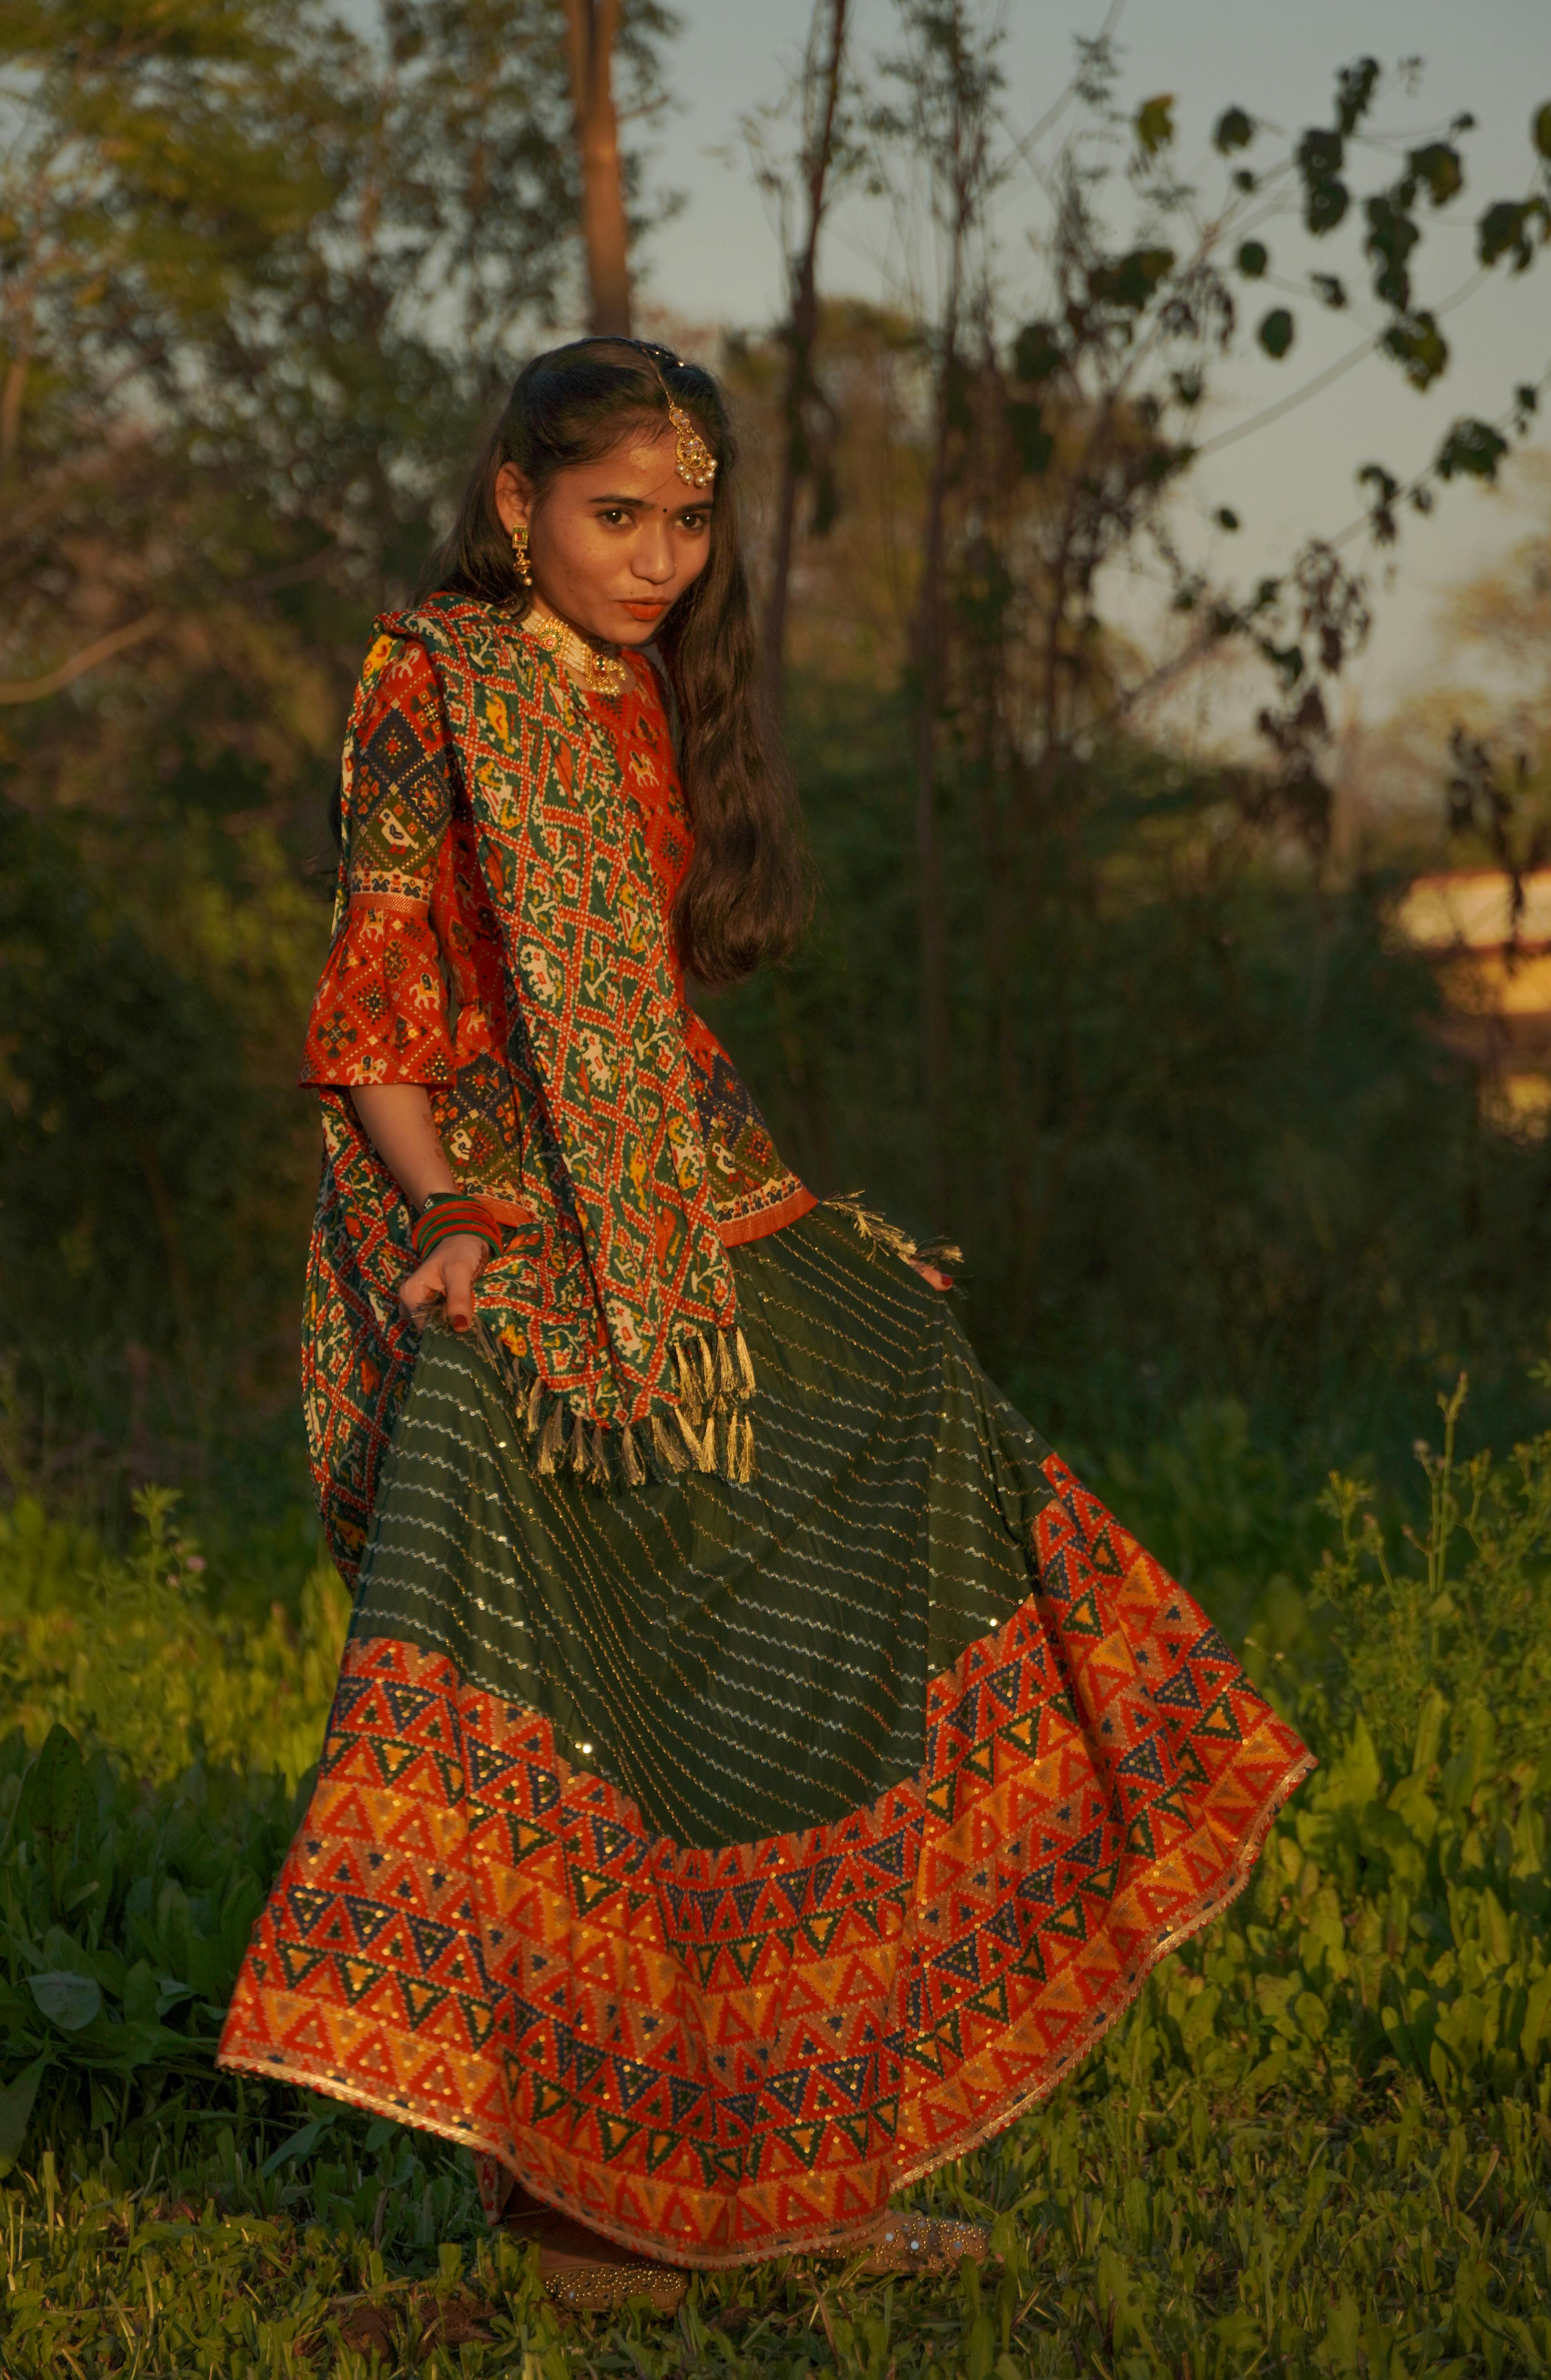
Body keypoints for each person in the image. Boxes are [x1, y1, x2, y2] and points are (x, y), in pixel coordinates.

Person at [217, 338, 1312, 2312]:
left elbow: (643, 1017)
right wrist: (454, 1216)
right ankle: (583, 2222)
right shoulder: (430, 678)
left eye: (688, 519)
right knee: (597, 1672)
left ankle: (807, 2157)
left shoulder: (635, 692)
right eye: (614, 516)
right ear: (513, 504)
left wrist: (769, 1231)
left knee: (892, 1439)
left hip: (687, 1191)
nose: (657, 558)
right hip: (480, 1216)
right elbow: (372, 994)